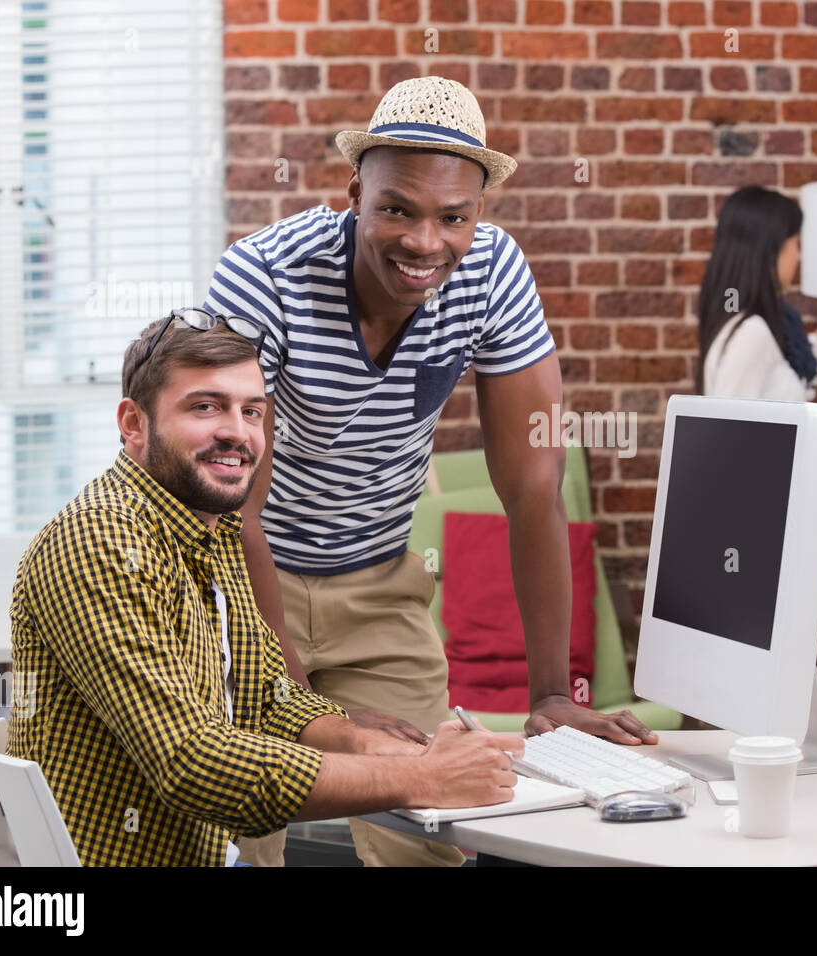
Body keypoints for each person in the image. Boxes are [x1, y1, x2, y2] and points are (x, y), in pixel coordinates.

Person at [202, 75, 656, 868]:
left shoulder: (492, 275)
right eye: (397, 209)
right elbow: (233, 513)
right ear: (355, 193)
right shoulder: (262, 279)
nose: (424, 241)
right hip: (236, 591)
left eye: (454, 216)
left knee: (433, 837)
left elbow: (533, 488)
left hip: (378, 587)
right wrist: (299, 708)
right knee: (236, 835)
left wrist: (551, 695)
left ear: (480, 212)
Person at [7, 310, 524, 866]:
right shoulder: (100, 540)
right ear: (133, 423)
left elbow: (268, 698)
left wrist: (388, 745)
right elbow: (193, 765)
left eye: (251, 410)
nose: (237, 431)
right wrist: (419, 776)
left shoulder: (214, 526)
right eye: (205, 406)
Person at [697, 185, 817, 475]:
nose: (798, 257)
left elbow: (771, 381)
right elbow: (729, 441)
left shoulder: (748, 327)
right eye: (795, 245)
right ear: (771, 249)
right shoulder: (751, 334)